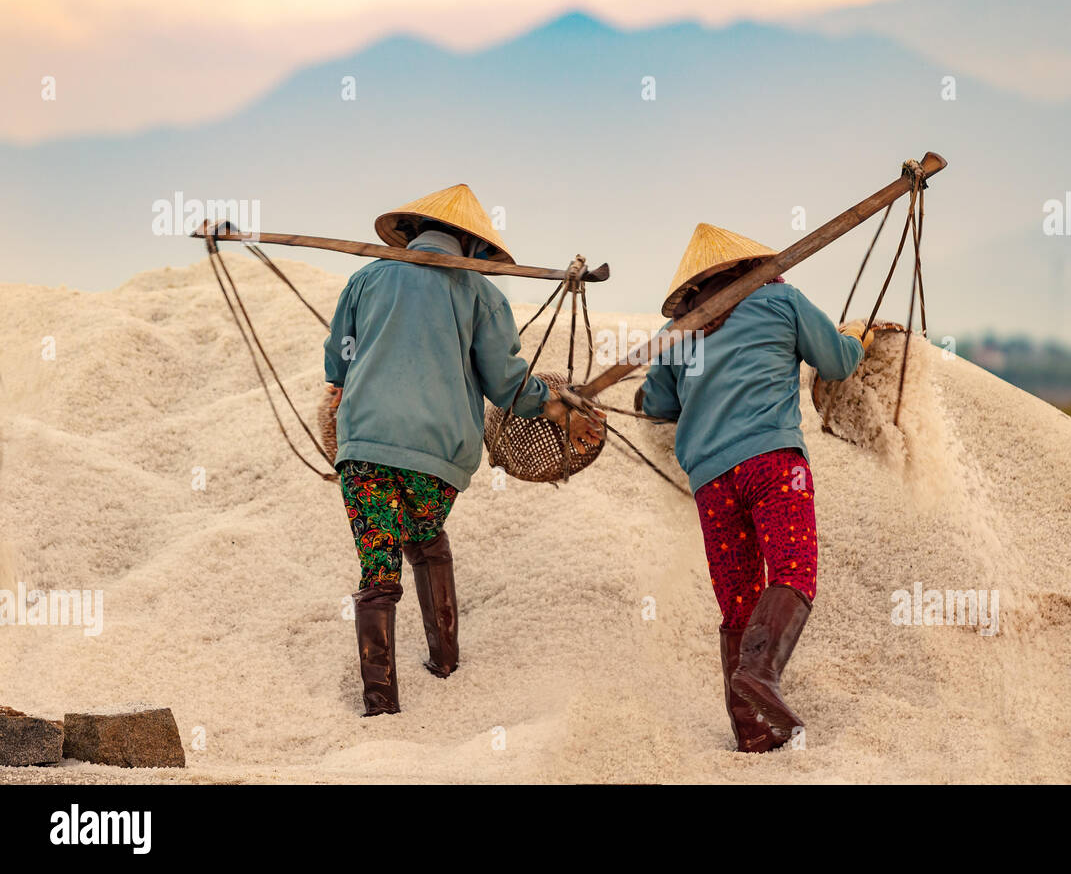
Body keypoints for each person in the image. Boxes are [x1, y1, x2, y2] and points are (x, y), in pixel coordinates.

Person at [324, 183, 603, 716]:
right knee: (426, 536)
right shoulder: (482, 293)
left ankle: (380, 702)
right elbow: (506, 385)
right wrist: (559, 405)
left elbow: (338, 365)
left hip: (363, 449)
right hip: (438, 459)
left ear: (411, 234)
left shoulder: (366, 278)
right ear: (474, 248)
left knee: (378, 568)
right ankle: (445, 660)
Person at [636, 222, 870, 752]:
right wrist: (857, 340)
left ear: (695, 286)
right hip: (772, 461)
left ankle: (751, 732)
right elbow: (834, 362)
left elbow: (658, 406)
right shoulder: (781, 300)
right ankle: (760, 672)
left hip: (711, 483)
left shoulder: (681, 333)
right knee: (794, 571)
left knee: (738, 603)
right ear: (752, 267)